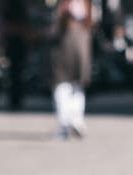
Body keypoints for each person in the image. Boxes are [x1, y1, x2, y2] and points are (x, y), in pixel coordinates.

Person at [49, 0, 92, 138]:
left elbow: (55, 28)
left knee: (62, 86)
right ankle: (75, 120)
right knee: (76, 86)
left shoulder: (66, 6)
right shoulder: (85, 5)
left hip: (65, 48)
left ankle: (66, 122)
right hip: (80, 47)